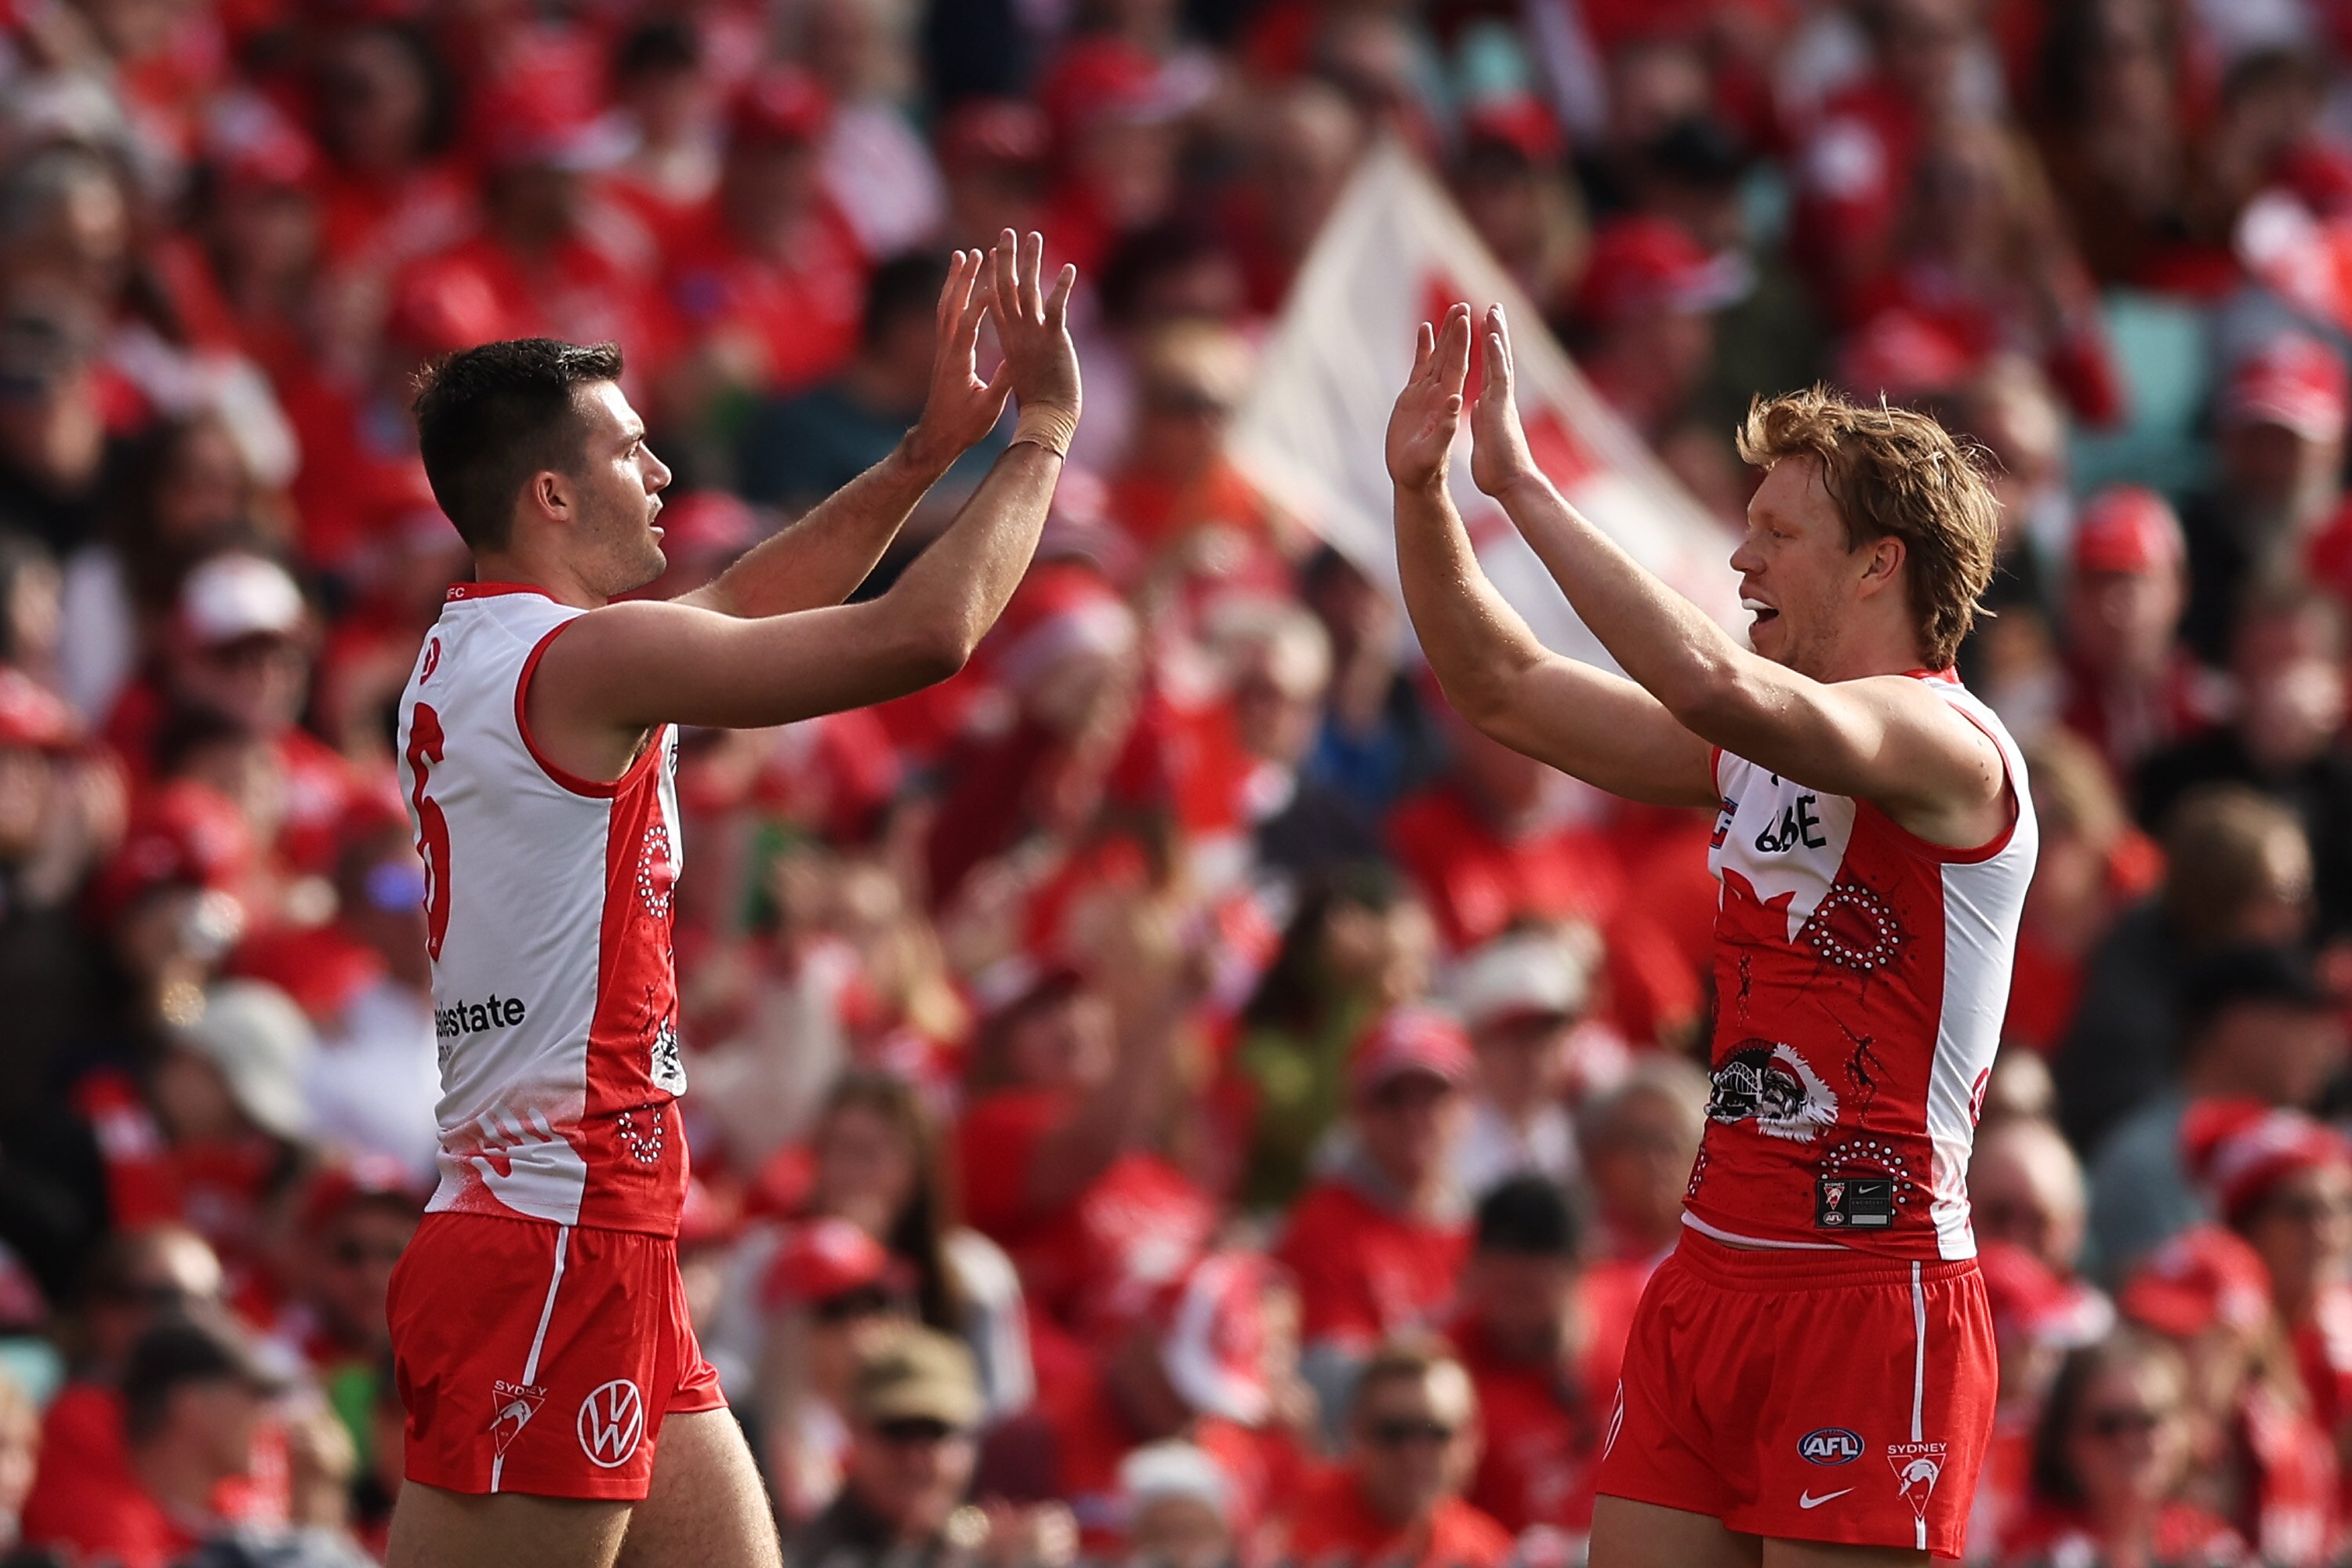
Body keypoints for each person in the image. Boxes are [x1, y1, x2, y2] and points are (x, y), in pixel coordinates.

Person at [381, 234, 1081, 1568]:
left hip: (583, 1230)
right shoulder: (582, 658)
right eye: (630, 451)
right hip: (555, 1232)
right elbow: (923, 635)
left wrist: (926, 457)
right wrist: (1042, 432)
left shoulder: (486, 644)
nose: (661, 471)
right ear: (551, 495)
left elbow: (742, 601)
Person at [1388, 304, 2032, 1564]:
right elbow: (1501, 687)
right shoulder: (1751, 740)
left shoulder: (1948, 743)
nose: (1741, 565)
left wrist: (1520, 481)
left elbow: (1714, 684)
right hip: (1709, 1275)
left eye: (1777, 535)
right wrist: (1425, 493)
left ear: (1878, 566)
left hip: (1871, 1293)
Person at [1450, 1174, 1613, 1544]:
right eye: (1499, 1292)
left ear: (1582, 1267)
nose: (1512, 1318)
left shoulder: (1640, 1323)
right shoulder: (1448, 1376)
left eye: (1529, 1295)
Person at [1998, 1331, 2248, 1568]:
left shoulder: (2215, 1549)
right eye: (2108, 1425)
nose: (2130, 1441)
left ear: (2184, 1430)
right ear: (2065, 1439)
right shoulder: (2027, 1554)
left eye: (2150, 1420)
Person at [1284, 1340, 1515, 1568]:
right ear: (1355, 1433)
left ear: (1472, 1440)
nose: (1413, 1453)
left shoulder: (1485, 1553)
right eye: (1393, 1432)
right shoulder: (1288, 1518)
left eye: (1436, 1432)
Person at [785, 1327, 985, 1568]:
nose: (915, 1458)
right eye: (897, 1431)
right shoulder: (813, 1556)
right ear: (854, 1433)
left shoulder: (985, 1548)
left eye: (936, 1432)